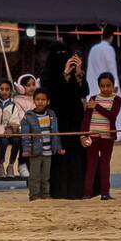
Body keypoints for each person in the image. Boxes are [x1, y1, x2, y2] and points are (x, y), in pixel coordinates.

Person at [42, 42, 87, 200]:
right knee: (59, 152)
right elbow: (51, 93)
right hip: (57, 117)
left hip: (75, 116)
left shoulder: (77, 72)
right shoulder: (47, 74)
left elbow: (83, 91)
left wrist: (78, 72)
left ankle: (78, 189)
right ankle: (59, 190)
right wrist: (65, 75)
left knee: (76, 152)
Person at [82, 72, 121, 200]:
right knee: (91, 165)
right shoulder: (93, 98)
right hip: (92, 136)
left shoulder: (116, 99)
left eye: (108, 85)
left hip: (107, 137)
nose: (105, 89)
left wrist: (97, 106)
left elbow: (112, 115)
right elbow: (86, 119)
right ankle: (88, 193)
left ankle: (105, 193)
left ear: (113, 85)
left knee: (105, 164)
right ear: (99, 86)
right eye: (102, 86)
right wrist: (83, 135)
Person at [87, 25, 121, 141]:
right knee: (116, 107)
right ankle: (119, 134)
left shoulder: (94, 49)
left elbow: (90, 69)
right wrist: (115, 84)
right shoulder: (108, 49)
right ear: (111, 37)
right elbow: (112, 66)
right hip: (108, 84)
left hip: (95, 85)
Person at [20, 89, 63, 201]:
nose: (40, 102)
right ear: (34, 101)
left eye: (43, 99)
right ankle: (34, 196)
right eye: (38, 99)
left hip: (48, 151)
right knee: (34, 176)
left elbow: (56, 133)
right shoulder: (28, 116)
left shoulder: (52, 115)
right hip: (35, 152)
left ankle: (45, 194)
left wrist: (58, 148)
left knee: (46, 176)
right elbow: (25, 135)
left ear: (48, 101)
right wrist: (26, 149)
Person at [0, 80, 23, 178]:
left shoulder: (13, 105)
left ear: (11, 91)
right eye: (2, 89)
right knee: (4, 141)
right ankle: (0, 164)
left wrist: (10, 128)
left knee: (16, 140)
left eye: (7, 89)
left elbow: (15, 120)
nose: (4, 91)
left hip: (8, 132)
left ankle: (11, 165)